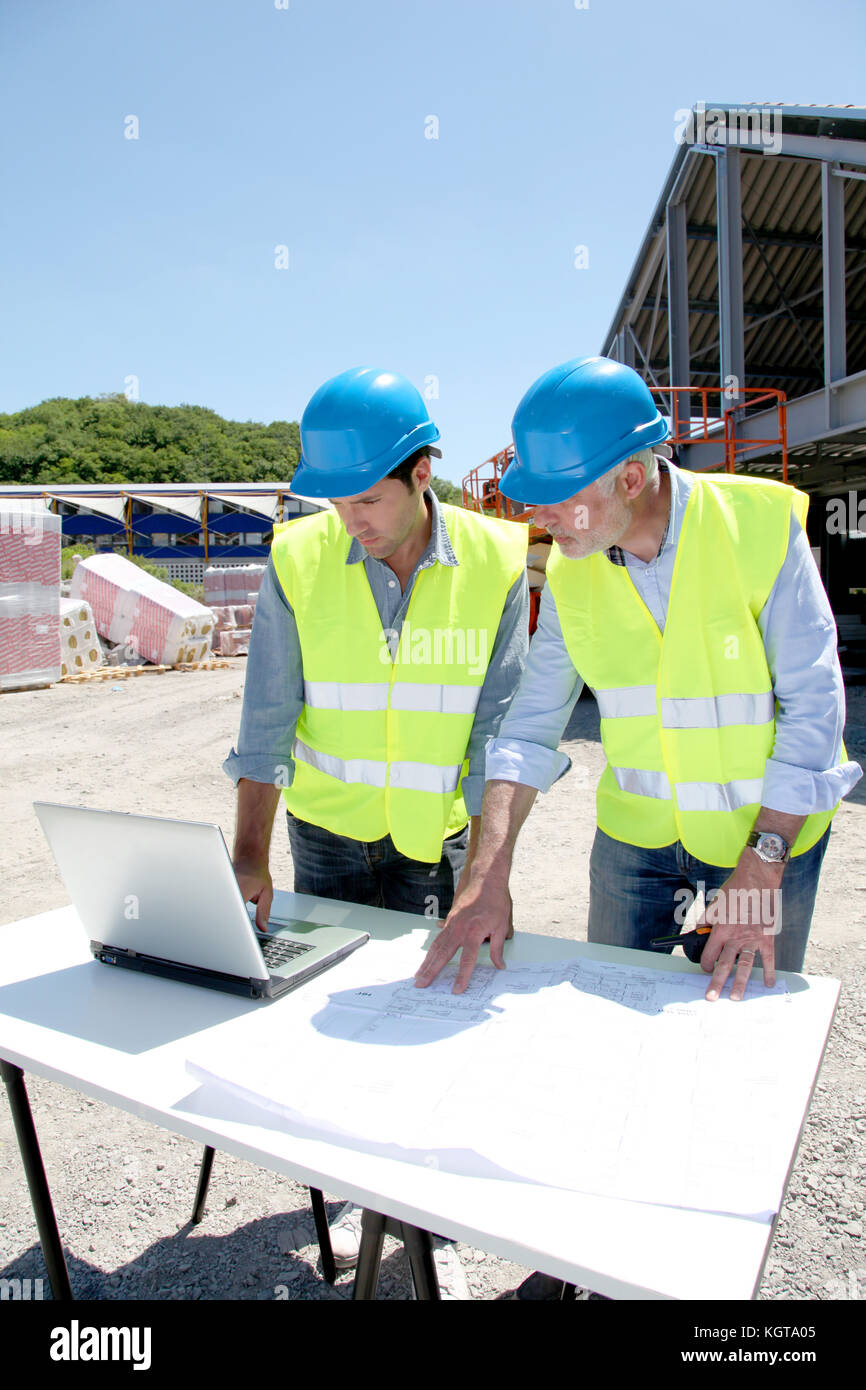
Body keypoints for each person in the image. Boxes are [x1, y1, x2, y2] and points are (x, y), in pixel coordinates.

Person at [416, 355, 862, 1006]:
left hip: (766, 836)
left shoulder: (760, 529)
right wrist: (487, 870)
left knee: (741, 1026)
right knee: (615, 1024)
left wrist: (763, 862)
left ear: (630, 478)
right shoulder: (572, 572)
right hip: (637, 847)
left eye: (560, 501)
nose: (542, 519)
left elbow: (816, 709)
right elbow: (529, 725)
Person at [223, 366, 529, 1291]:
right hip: (325, 832)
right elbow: (266, 719)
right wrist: (248, 851)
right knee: (333, 1022)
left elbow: (497, 737)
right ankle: (354, 1192)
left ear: (422, 472)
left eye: (367, 498)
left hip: (431, 840)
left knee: (430, 1015)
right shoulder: (297, 557)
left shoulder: (501, 562)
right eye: (336, 499)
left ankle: (426, 1207)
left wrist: (488, 874)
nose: (350, 519)